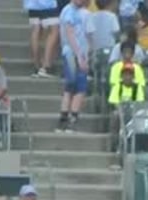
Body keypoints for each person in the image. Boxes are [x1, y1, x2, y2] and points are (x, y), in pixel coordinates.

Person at [56, 0, 91, 132]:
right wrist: (80, 56)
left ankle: (65, 119)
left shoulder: (77, 11)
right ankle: (70, 120)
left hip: (78, 54)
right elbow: (70, 34)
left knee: (73, 87)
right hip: (72, 55)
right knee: (78, 87)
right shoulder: (69, 12)